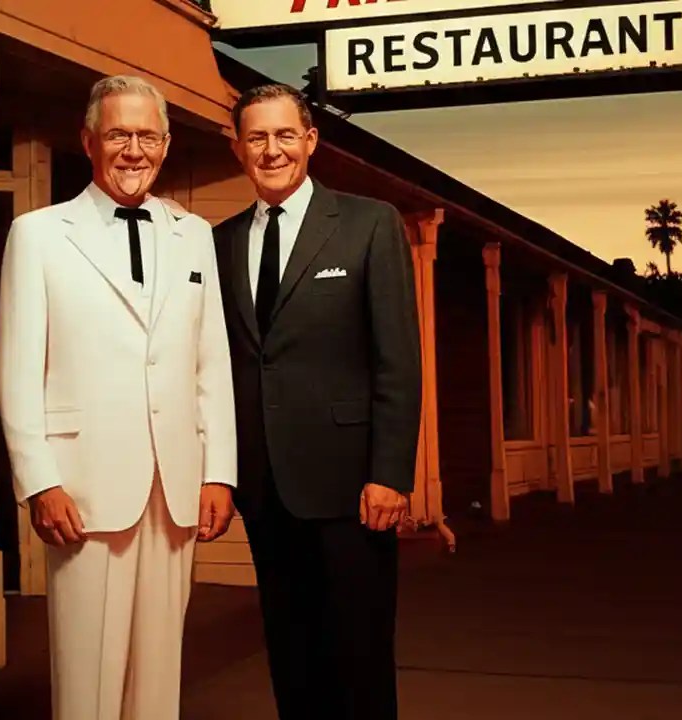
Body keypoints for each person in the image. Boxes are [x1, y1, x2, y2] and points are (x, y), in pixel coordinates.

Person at [0, 74, 236, 720]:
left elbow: (211, 361)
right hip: (84, 491)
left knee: (160, 676)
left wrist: (219, 473)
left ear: (165, 143)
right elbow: (18, 371)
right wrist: (39, 482)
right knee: (87, 680)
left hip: (175, 484)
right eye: (119, 134)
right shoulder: (39, 235)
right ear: (89, 141)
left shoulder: (196, 236)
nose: (134, 150)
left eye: (148, 136)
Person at [212, 83, 422, 719]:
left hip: (350, 488)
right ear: (239, 148)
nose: (271, 150)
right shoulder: (219, 243)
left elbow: (398, 360)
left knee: (357, 656)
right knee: (291, 653)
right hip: (265, 486)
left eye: (283, 135)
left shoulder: (368, 223)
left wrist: (389, 473)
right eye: (256, 137)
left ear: (310, 141)